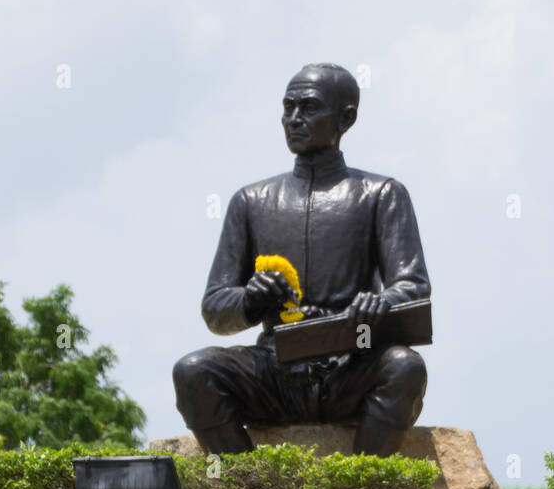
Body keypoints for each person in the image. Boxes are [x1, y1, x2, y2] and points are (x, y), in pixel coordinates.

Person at [172, 62, 430, 456]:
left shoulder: (381, 194)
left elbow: (412, 288)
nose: (293, 119)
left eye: (309, 108)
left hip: (351, 367)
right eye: (288, 107)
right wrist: (250, 300)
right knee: (193, 371)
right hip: (275, 370)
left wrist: (380, 303)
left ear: (346, 118)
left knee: (405, 367)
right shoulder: (251, 201)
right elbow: (214, 309)